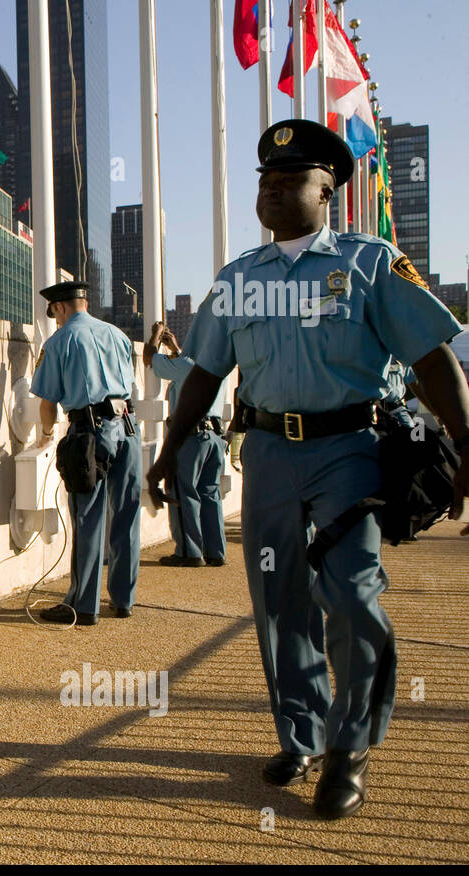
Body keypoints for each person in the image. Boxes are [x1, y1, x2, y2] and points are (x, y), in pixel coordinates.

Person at [147, 118, 469, 819]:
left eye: (292, 179)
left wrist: (467, 442)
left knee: (352, 596)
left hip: (349, 449)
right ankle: (303, 735)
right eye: (266, 178)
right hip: (266, 453)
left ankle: (349, 751)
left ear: (329, 192)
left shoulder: (369, 263)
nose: (274, 189)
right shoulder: (238, 278)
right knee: (278, 605)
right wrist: (168, 450)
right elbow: (204, 374)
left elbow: (432, 357)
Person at [32, 281, 141, 625]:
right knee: (126, 515)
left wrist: (47, 434)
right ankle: (123, 600)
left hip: (90, 434)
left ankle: (83, 605)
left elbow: (48, 403)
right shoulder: (117, 335)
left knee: (88, 518)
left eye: (55, 315)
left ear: (59, 307)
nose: (56, 321)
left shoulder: (60, 341)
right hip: (127, 426)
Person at [144, 321, 228, 567]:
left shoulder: (188, 366)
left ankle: (189, 551)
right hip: (213, 437)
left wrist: (156, 335)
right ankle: (215, 551)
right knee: (210, 494)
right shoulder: (216, 367)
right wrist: (176, 350)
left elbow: (149, 358)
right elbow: (184, 366)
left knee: (182, 493)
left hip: (191, 437)